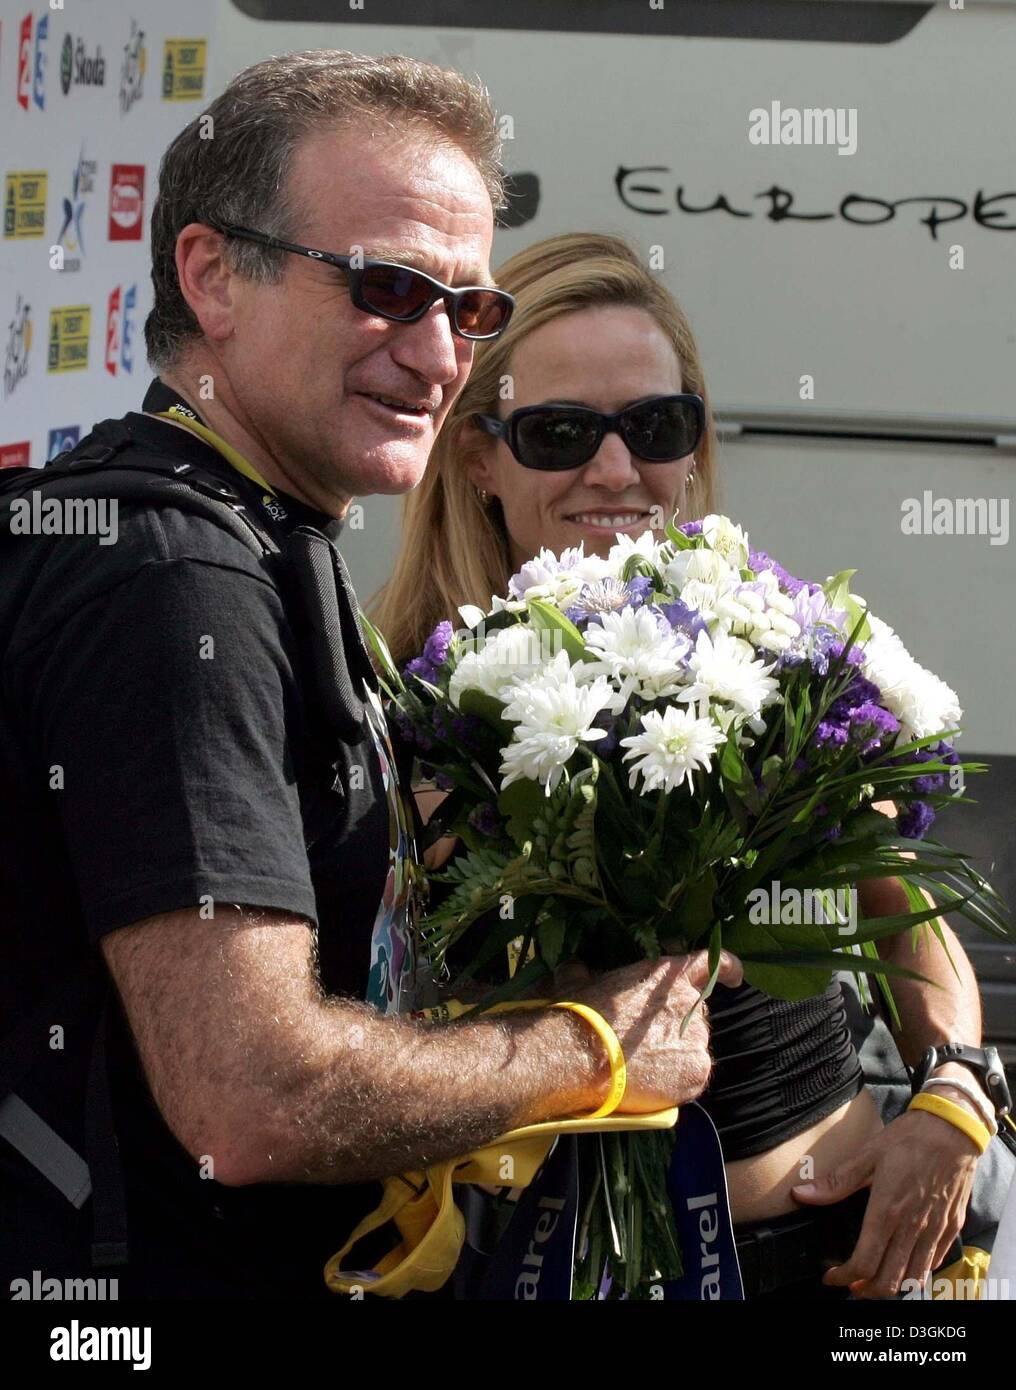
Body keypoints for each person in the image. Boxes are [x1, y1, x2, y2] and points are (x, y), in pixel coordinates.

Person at [0, 56, 736, 1301]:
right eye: (388, 289)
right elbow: (252, 1096)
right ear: (211, 274)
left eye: (470, 309)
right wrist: (593, 1045)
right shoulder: (173, 576)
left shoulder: (251, 536)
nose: (437, 353)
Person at [371, 231, 1006, 1300]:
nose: (614, 471)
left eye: (654, 427)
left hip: (853, 1265)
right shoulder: (408, 715)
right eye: (559, 431)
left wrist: (952, 1093)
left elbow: (902, 912)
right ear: (476, 453)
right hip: (553, 1272)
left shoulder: (768, 657)